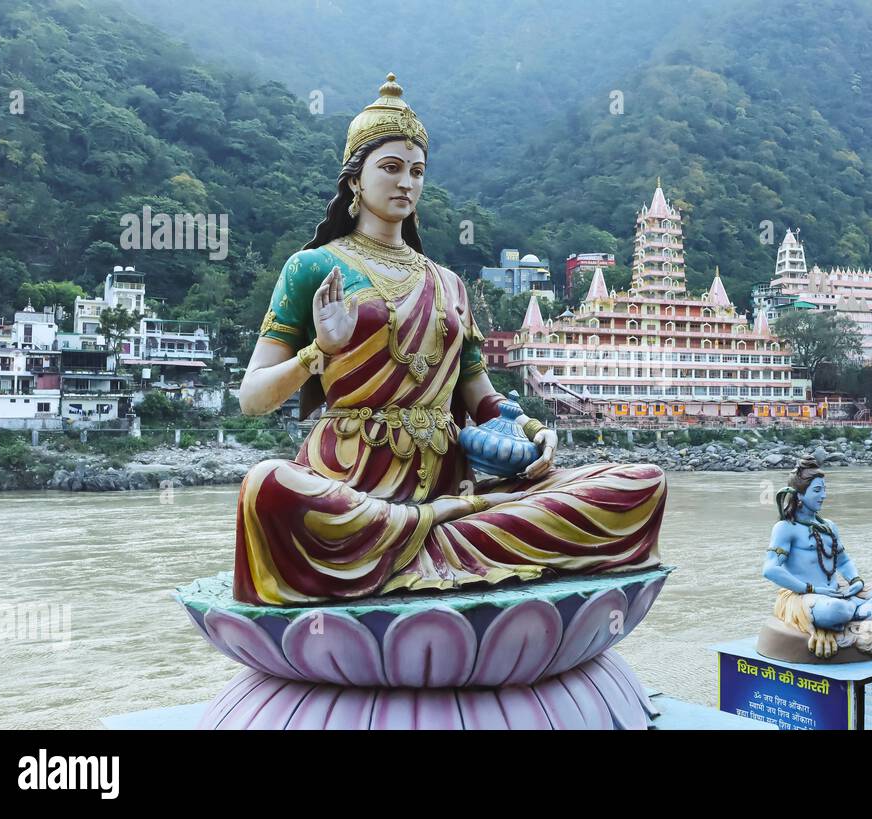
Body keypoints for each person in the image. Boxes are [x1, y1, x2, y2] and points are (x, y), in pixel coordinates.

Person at [232, 74, 665, 605]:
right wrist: (317, 352)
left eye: (416, 171)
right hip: (349, 487)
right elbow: (252, 398)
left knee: (640, 484)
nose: (405, 184)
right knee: (268, 487)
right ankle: (424, 532)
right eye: (389, 168)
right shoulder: (314, 267)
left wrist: (531, 427)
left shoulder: (449, 283)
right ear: (354, 179)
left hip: (456, 487)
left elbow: (480, 398)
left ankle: (428, 542)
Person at [763, 456, 872, 657]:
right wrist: (811, 588)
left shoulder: (829, 526)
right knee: (837, 610)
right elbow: (770, 569)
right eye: (817, 490)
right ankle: (859, 613)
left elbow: (843, 560)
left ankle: (856, 613)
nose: (823, 495)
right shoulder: (785, 528)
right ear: (798, 495)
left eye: (824, 489)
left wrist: (855, 580)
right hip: (805, 596)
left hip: (838, 592)